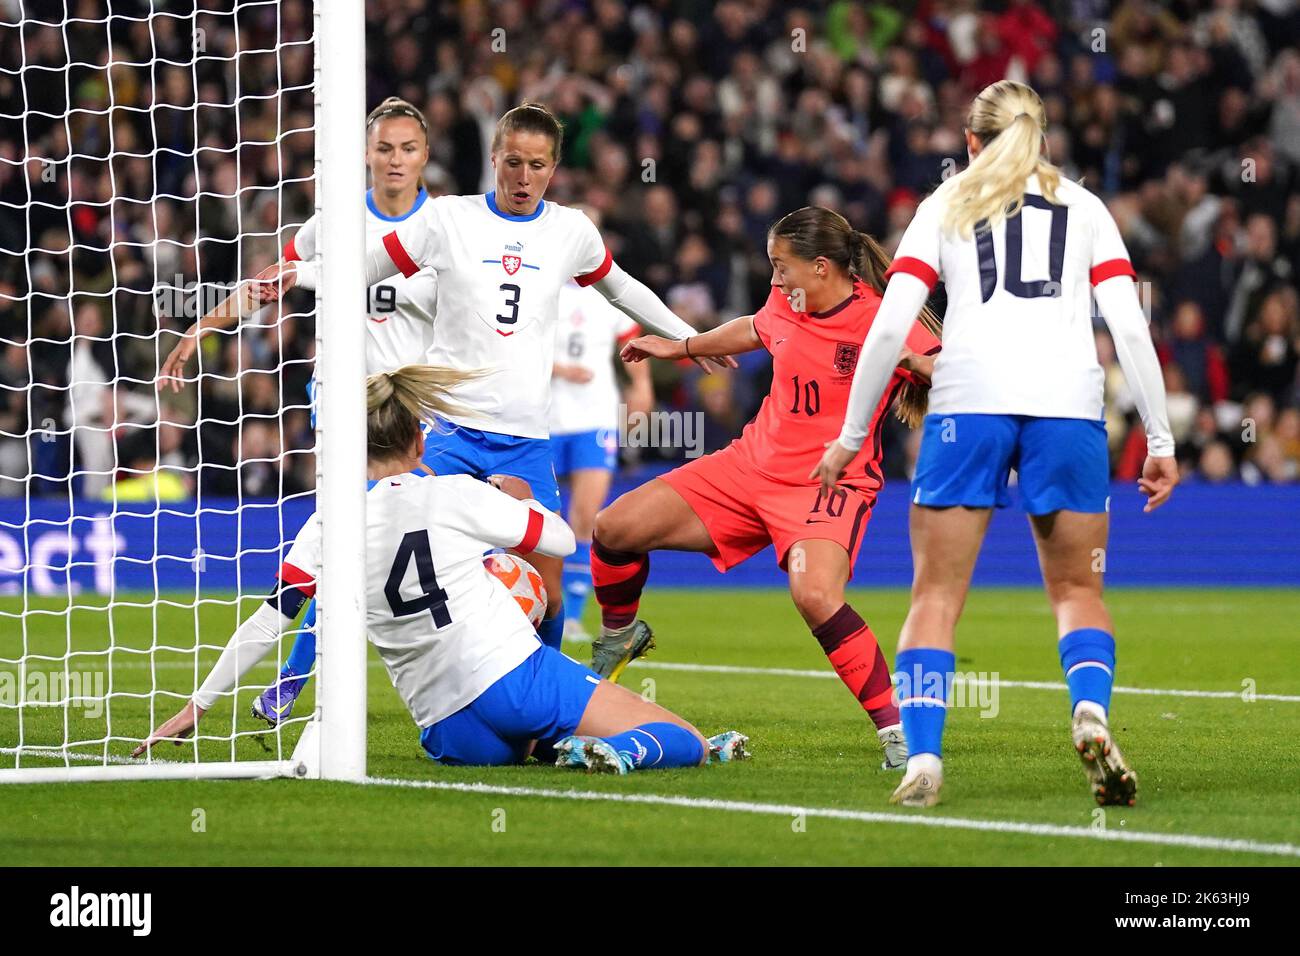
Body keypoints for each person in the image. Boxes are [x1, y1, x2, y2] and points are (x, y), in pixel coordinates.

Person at [256, 102, 736, 662]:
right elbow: (362, 268)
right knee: (369, 539)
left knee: (548, 588)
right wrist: (298, 273)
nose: (524, 177)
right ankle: (292, 680)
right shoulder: (448, 219)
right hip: (447, 432)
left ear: (553, 169)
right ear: (493, 160)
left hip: (526, 440)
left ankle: (551, 704)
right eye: (513, 162)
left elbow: (624, 290)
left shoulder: (570, 232)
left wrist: (691, 340)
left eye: (537, 165)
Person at [813, 80, 1179, 808]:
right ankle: (1091, 712)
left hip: (967, 406)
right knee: (1078, 589)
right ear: (1042, 139)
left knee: (936, 595)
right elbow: (1129, 327)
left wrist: (852, 435)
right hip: (1068, 409)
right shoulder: (1086, 208)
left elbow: (890, 327)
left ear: (971, 143)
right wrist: (1161, 438)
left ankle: (923, 762)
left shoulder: (945, 206)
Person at [133, 364, 749, 774]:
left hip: (449, 729)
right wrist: (517, 498)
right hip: (512, 678)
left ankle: (561, 745)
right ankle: (618, 752)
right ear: (421, 444)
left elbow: (271, 621)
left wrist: (197, 706)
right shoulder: (454, 494)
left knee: (527, 744)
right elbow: (561, 540)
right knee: (686, 741)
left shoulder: (325, 525)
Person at [587, 206, 943, 771]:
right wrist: (680, 347)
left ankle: (897, 734)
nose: (774, 281)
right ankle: (621, 635)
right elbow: (756, 326)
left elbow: (952, 370)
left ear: (821, 267)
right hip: (747, 469)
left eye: (782, 268)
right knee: (613, 528)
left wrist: (917, 363)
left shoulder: (885, 319)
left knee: (816, 596)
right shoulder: (788, 302)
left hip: (828, 482)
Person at [156, 97, 442, 726]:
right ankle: (289, 679)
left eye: (408, 148)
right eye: (384, 148)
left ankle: (289, 678)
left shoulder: (445, 228)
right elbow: (267, 283)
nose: (395, 160)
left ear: (426, 156)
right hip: (343, 403)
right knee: (345, 544)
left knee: (373, 549)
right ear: (367, 154)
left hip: (422, 411)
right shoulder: (332, 224)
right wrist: (199, 328)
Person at [549, 278, 653, 641]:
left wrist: (642, 390)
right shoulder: (541, 285)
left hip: (595, 419)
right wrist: (558, 370)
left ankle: (573, 617)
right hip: (542, 416)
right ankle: (540, 609)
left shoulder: (608, 297)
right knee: (545, 520)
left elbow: (634, 351)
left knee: (586, 519)